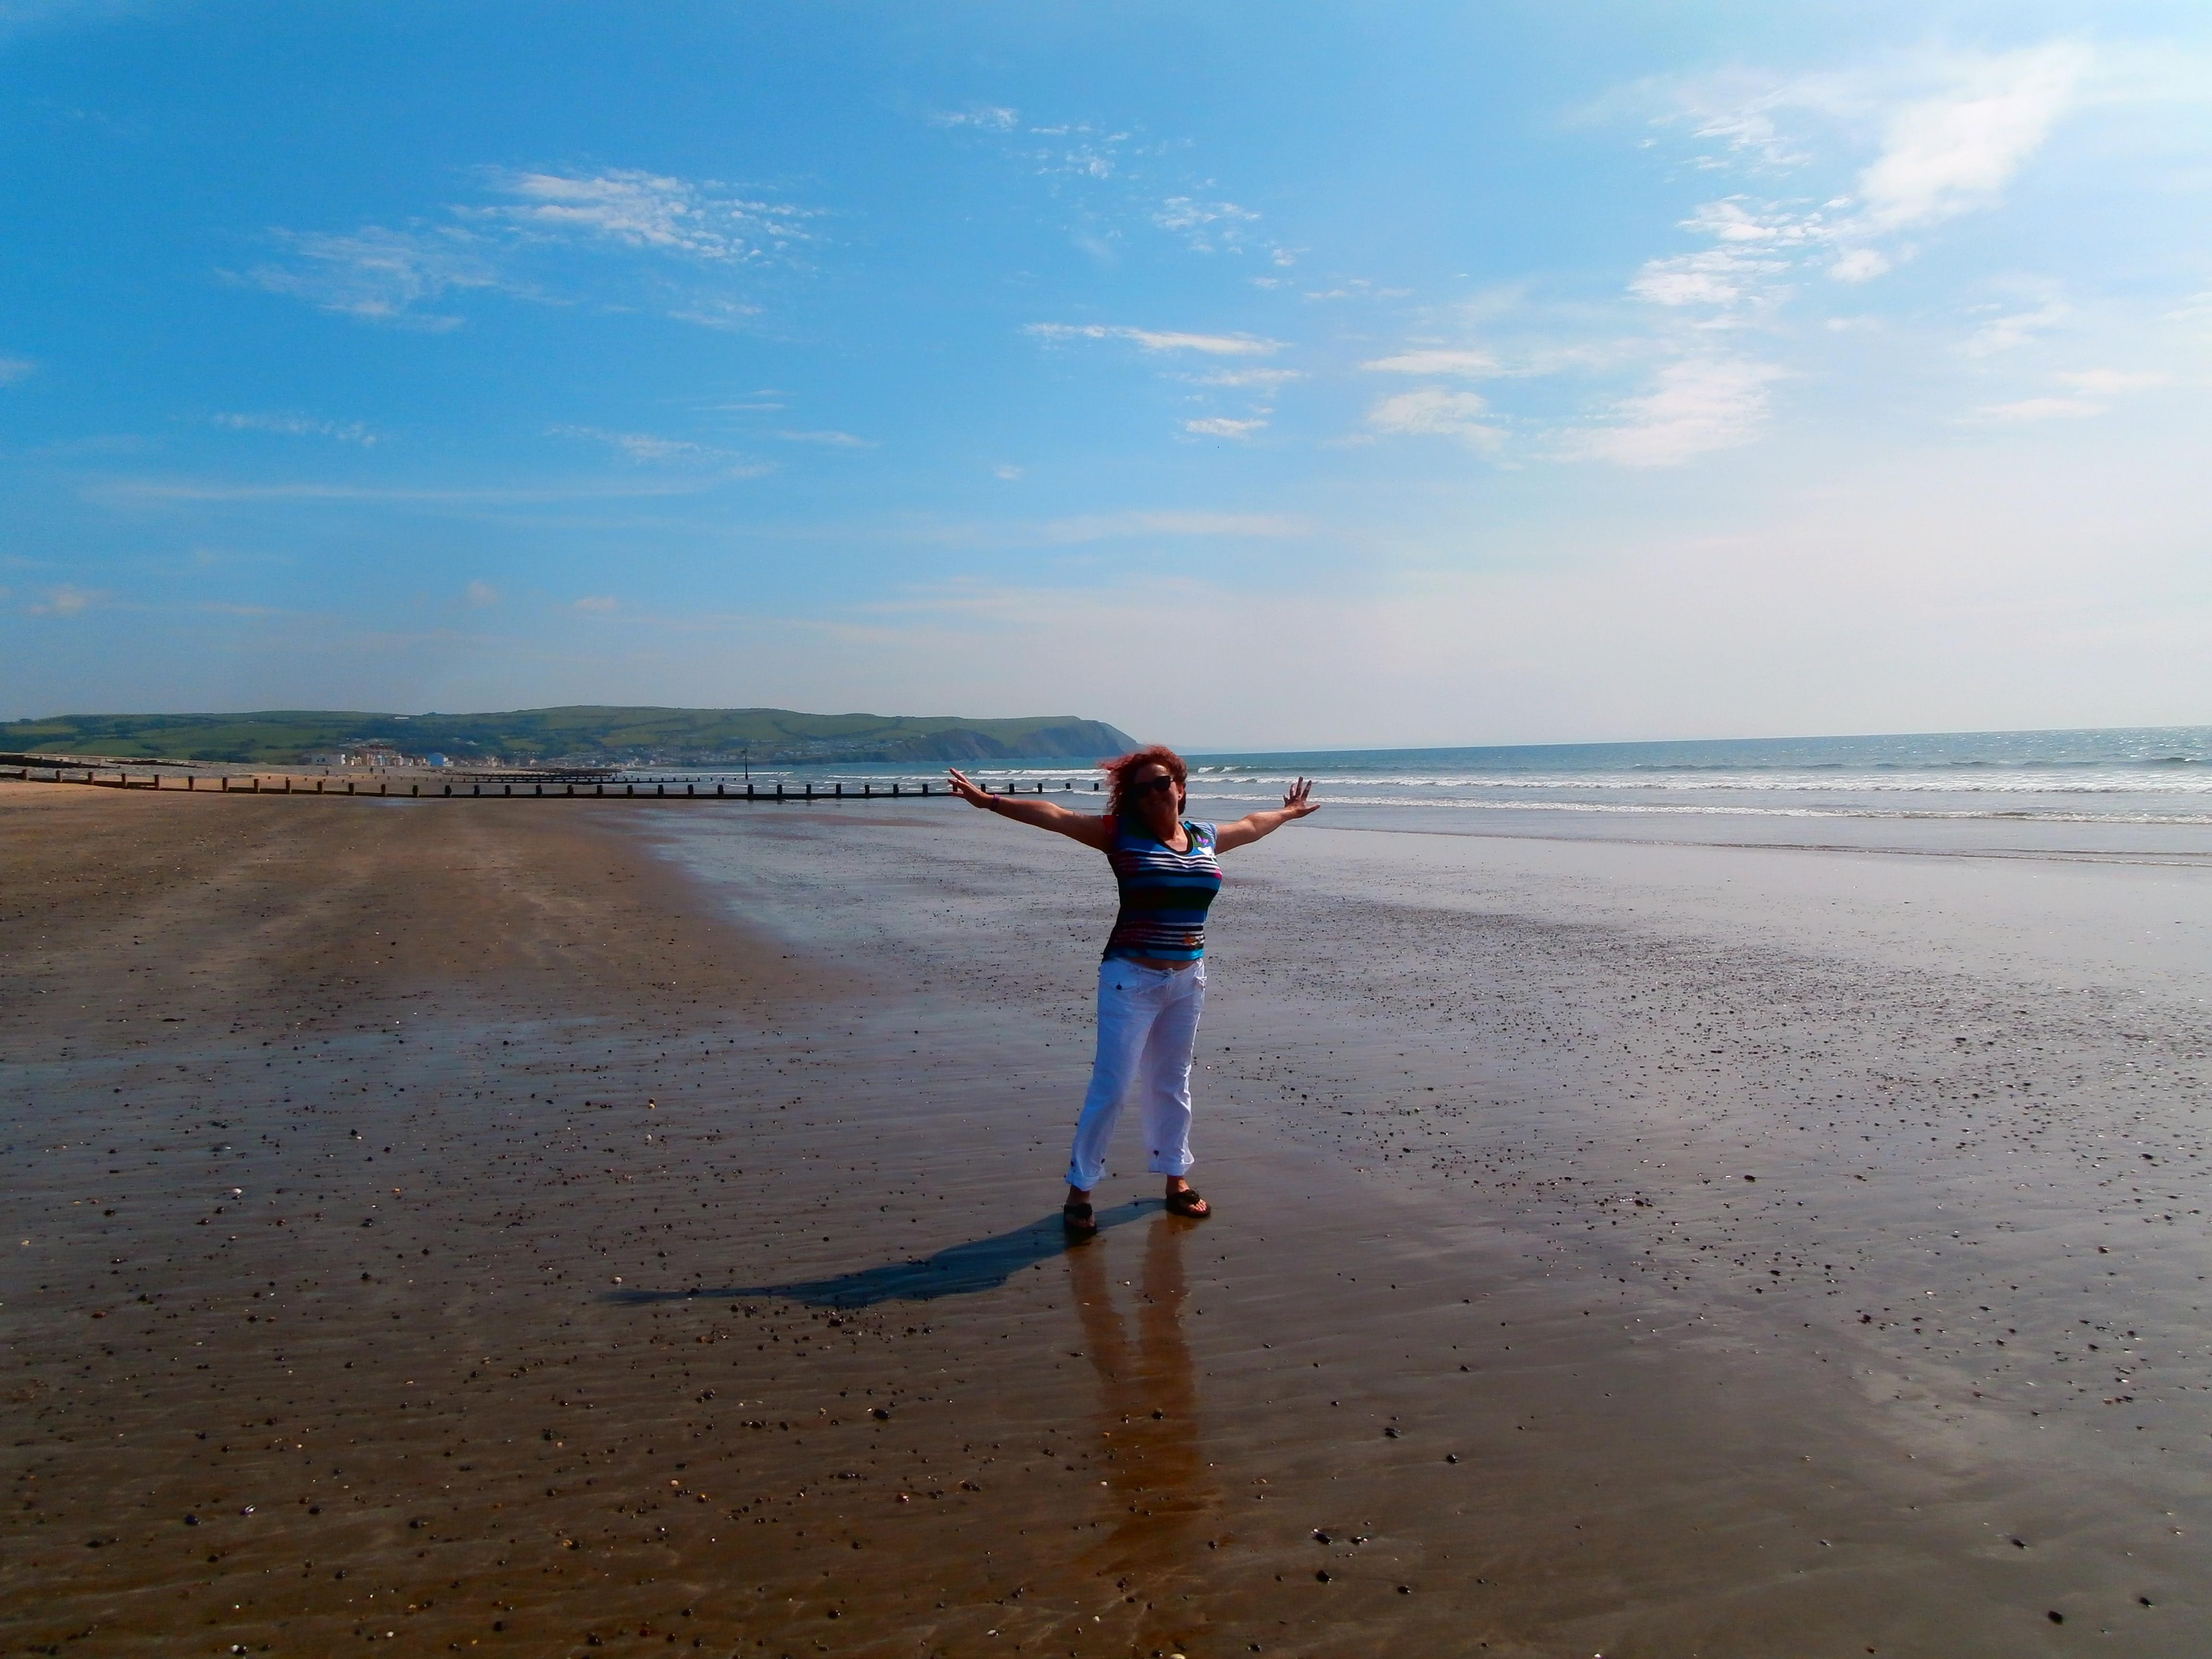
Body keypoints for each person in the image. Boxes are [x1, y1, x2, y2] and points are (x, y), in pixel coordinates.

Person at [946, 747, 1317, 1236]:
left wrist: (1288, 813)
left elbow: (1251, 825)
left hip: (1188, 980)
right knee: (1113, 1088)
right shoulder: (1120, 836)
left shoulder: (1204, 836)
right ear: (1134, 800)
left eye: (1162, 783)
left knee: (1172, 1082)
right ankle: (1081, 1190)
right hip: (1130, 980)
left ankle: (1175, 1179)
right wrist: (991, 802)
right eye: (1142, 789)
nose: (1154, 794)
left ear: (1180, 787)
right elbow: (1056, 816)